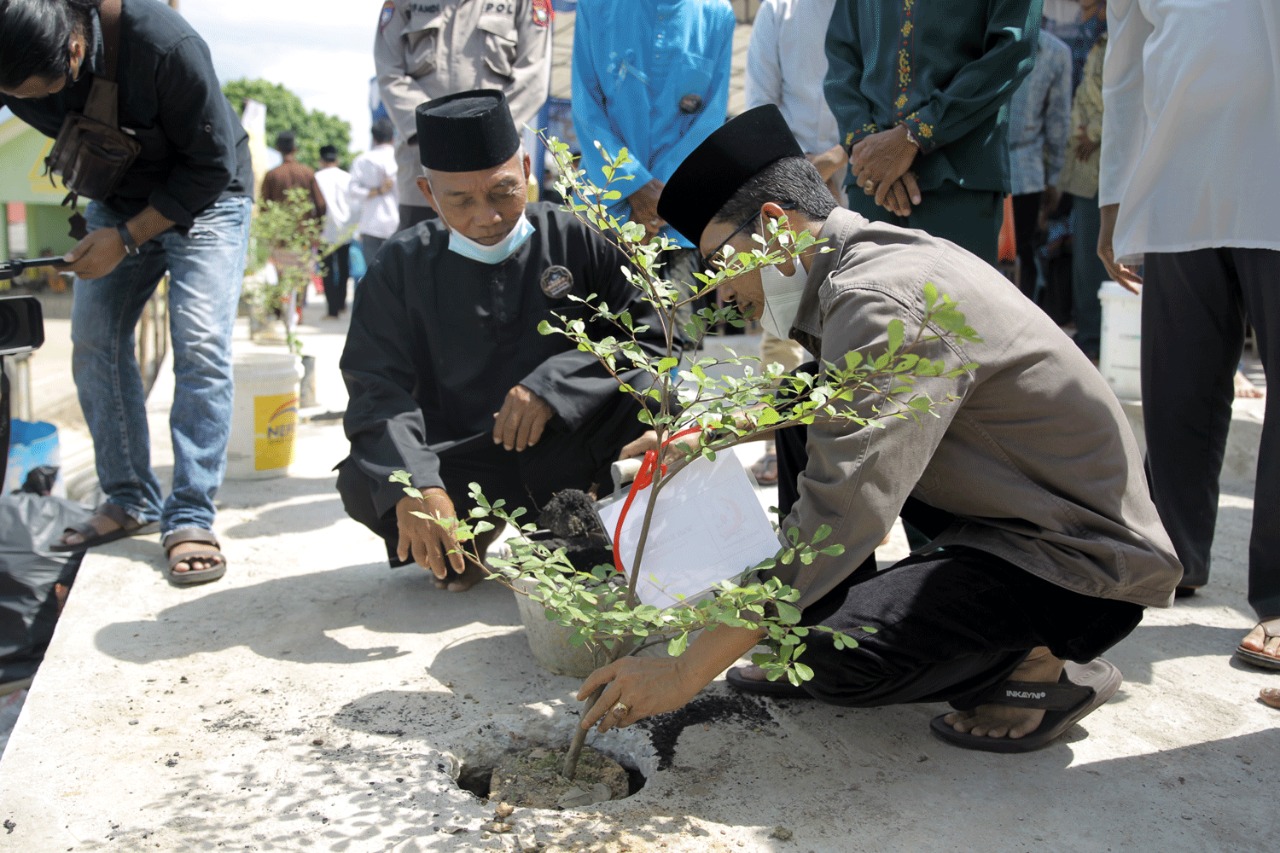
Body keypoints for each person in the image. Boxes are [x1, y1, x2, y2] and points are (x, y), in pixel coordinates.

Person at [575, 105, 1181, 752]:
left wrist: (685, 669)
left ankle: (1040, 664)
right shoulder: (857, 266)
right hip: (1018, 514)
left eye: (721, 263)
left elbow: (838, 514)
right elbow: (819, 399)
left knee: (829, 658)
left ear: (775, 226)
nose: (720, 293)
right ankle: (823, 613)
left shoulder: (880, 301)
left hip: (1077, 559)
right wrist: (708, 433)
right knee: (805, 405)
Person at [337, 90, 669, 592]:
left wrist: (554, 387)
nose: (487, 217)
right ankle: (469, 535)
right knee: (367, 482)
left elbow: (650, 338)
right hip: (462, 457)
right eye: (460, 201)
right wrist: (418, 484)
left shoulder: (578, 236)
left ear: (528, 171)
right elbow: (375, 386)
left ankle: (585, 529)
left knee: (652, 402)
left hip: (567, 453)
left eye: (502, 192)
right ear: (428, 194)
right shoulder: (398, 267)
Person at [0, 0, 253, 585]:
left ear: (75, 49)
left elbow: (211, 166)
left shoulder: (165, 46)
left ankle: (190, 514)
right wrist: (118, 228)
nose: (26, 104)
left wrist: (127, 238)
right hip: (118, 197)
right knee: (93, 341)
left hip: (209, 197)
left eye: (38, 92)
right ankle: (129, 498)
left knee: (200, 344)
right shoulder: (13, 53)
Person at [1098, 0, 1280, 670]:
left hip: (1272, 168)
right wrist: (1115, 194)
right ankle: (1170, 551)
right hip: (1177, 175)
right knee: (1178, 380)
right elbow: (1125, 64)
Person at [824, 0, 1043, 266]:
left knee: (950, 293)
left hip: (957, 180)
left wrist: (913, 134)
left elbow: (1012, 50)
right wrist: (868, 146)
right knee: (868, 292)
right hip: (873, 184)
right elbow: (841, 57)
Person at [571, 0, 736, 315]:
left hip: (678, 225)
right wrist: (633, 184)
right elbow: (586, 106)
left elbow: (710, 120)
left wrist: (660, 200)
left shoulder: (716, 14)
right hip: (604, 212)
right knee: (595, 331)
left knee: (674, 336)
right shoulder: (595, 6)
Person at [374, 0, 551, 231]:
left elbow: (533, 78)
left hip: (496, 170)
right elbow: (389, 74)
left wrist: (483, 133)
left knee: (501, 250)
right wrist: (437, 132)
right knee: (421, 250)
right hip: (422, 169)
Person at [1005, 26, 1071, 299]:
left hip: (1006, 169)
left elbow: (1058, 124)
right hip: (1025, 172)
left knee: (975, 257)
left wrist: (1054, 177)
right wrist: (1054, 179)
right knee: (1022, 255)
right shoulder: (1056, 51)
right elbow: (1058, 124)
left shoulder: (1054, 52)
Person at [1057, 25, 1106, 360]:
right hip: (1086, 170)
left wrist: (1096, 131)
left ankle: (1105, 337)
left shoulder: (1140, 37)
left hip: (1115, 167)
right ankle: (1090, 337)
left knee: (1114, 260)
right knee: (1086, 259)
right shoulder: (1101, 42)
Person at [348, 118, 399, 265]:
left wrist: (377, 191)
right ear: (393, 137)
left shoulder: (362, 160)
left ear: (374, 138)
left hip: (371, 224)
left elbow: (352, 191)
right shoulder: (399, 158)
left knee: (374, 271)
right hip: (398, 223)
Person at [314, 144, 354, 318]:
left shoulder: (316, 178)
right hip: (345, 230)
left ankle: (332, 309)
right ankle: (342, 303)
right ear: (337, 159)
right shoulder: (347, 177)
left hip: (324, 230)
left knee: (327, 270)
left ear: (321, 160)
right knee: (344, 267)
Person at [260, 130, 326, 219]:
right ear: (295, 148)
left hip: (280, 226)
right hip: (304, 226)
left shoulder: (272, 175)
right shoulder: (307, 173)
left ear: (278, 149)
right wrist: (316, 224)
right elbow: (321, 205)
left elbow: (264, 206)